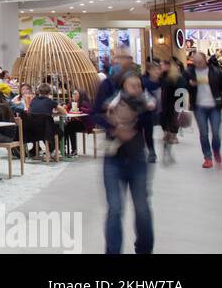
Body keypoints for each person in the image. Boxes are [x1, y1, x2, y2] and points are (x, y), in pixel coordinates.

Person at [99, 70, 156, 254]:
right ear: (123, 84)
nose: (136, 88)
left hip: (137, 157)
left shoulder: (145, 100)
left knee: (142, 209)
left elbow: (154, 116)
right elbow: (98, 113)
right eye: (132, 85)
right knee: (115, 208)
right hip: (113, 159)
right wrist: (114, 126)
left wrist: (140, 116)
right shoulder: (113, 95)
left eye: (138, 85)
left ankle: (144, 249)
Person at [185, 51, 222, 168]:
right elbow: (182, 86)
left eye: (200, 62)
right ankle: (207, 157)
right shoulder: (189, 72)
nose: (197, 64)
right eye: (195, 62)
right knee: (203, 133)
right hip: (199, 107)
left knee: (216, 133)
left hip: (214, 106)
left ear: (205, 59)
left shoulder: (216, 72)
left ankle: (216, 151)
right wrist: (190, 84)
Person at [158, 57, 186, 164]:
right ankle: (167, 153)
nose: (160, 67)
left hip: (173, 108)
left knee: (169, 133)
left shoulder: (177, 78)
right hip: (165, 108)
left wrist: (180, 108)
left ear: (169, 66)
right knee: (166, 133)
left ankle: (167, 153)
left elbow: (181, 93)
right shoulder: (163, 77)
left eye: (162, 65)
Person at [141, 60, 162, 163]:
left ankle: (151, 151)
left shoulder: (162, 82)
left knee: (149, 133)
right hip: (143, 111)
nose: (157, 71)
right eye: (154, 69)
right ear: (149, 70)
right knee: (144, 132)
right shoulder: (144, 82)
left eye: (158, 69)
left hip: (156, 111)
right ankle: (150, 152)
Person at [63, 89, 92, 157]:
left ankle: (69, 149)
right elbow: (66, 110)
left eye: (75, 94)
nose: (73, 95)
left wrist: (80, 109)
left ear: (80, 95)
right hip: (75, 123)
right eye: (73, 94)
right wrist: (65, 108)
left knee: (69, 127)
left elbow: (90, 111)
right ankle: (66, 148)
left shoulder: (83, 102)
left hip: (85, 124)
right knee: (67, 127)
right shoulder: (72, 103)